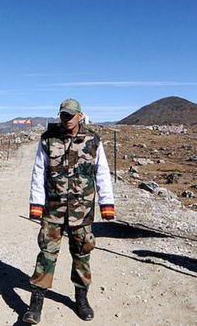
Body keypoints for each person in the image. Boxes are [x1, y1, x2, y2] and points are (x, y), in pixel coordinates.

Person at [22, 99, 115, 324]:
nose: (66, 119)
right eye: (63, 115)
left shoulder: (93, 140)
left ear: (80, 115)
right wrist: (36, 204)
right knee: (46, 253)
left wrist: (107, 204)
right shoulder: (48, 139)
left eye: (71, 115)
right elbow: (39, 172)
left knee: (82, 253)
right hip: (53, 209)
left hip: (81, 210)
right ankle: (36, 303)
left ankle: (81, 299)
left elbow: (102, 172)